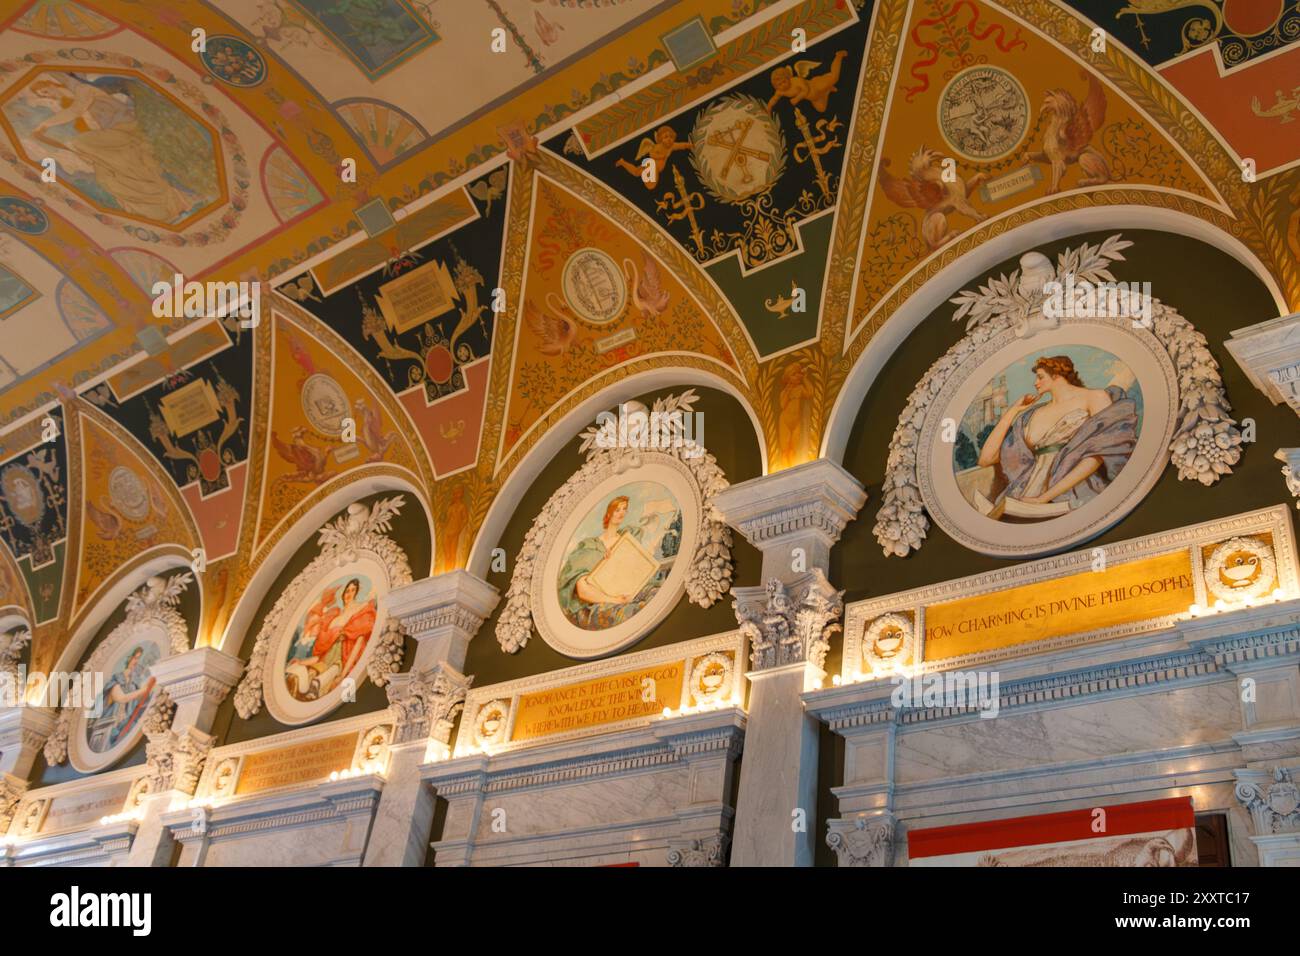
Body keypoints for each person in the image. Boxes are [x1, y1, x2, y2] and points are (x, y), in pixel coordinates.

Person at [976, 355, 1137, 516]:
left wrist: (1044, 498)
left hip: (1073, 488)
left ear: (1057, 375)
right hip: (1027, 491)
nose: (1035, 383)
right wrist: (1013, 411)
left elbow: (1098, 454)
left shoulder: (1095, 397)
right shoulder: (1033, 414)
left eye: (1040, 377)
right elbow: (986, 459)